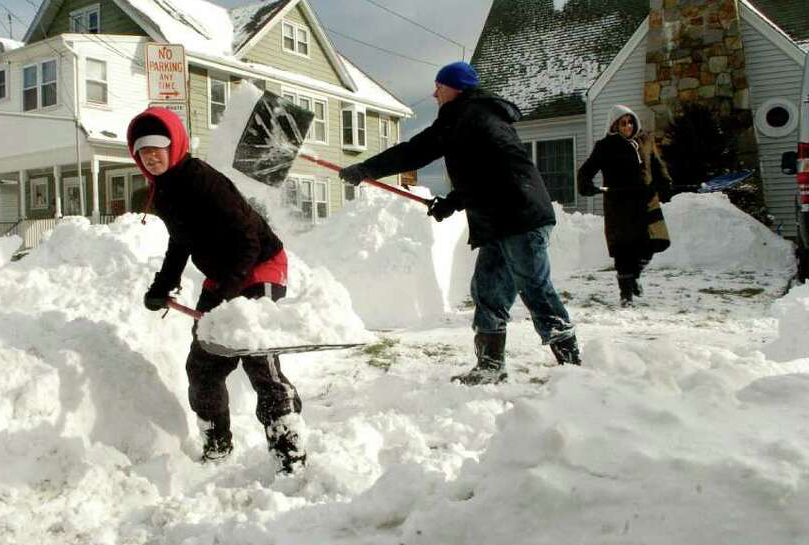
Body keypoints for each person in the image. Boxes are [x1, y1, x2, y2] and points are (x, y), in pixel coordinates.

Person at [339, 62, 579, 385]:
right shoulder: (470, 117)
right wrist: (452, 203)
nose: (434, 92)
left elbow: (417, 152)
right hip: (501, 217)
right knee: (488, 290)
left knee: (534, 287)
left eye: (439, 86)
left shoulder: (469, 117)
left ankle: (573, 366)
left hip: (518, 215)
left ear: (456, 88)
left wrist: (365, 170)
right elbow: (479, 172)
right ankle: (491, 365)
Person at [128, 107, 306, 473]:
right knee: (203, 366)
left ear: (174, 144)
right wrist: (162, 286)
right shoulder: (163, 190)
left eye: (157, 147)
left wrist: (230, 292)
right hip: (222, 277)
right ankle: (217, 445)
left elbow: (248, 239)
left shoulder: (202, 180)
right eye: (143, 151)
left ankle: (289, 453)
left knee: (259, 361)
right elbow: (180, 241)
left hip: (259, 267)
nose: (151, 156)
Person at [577, 105, 671, 306]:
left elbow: (656, 164)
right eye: (623, 123)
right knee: (624, 251)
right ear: (614, 125)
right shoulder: (605, 147)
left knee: (653, 242)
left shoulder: (645, 140)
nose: (628, 126)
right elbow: (586, 171)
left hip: (646, 201)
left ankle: (635, 275)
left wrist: (665, 185)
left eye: (630, 122)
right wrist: (586, 185)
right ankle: (626, 295)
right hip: (620, 206)